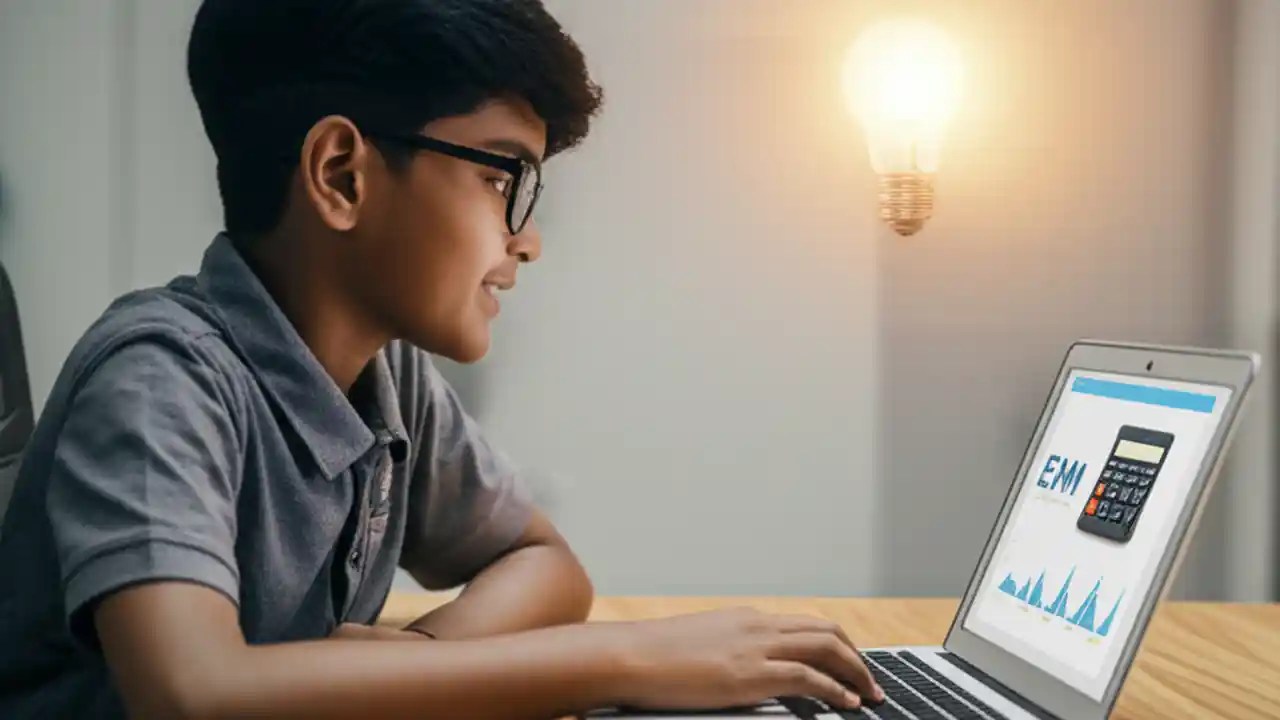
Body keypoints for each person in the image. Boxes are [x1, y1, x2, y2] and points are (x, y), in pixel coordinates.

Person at [0, 1, 883, 717]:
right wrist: (629, 658)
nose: (527, 240)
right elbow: (194, 694)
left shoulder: (387, 378)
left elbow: (545, 564)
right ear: (341, 175)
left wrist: (419, 656)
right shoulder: (160, 378)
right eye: (500, 179)